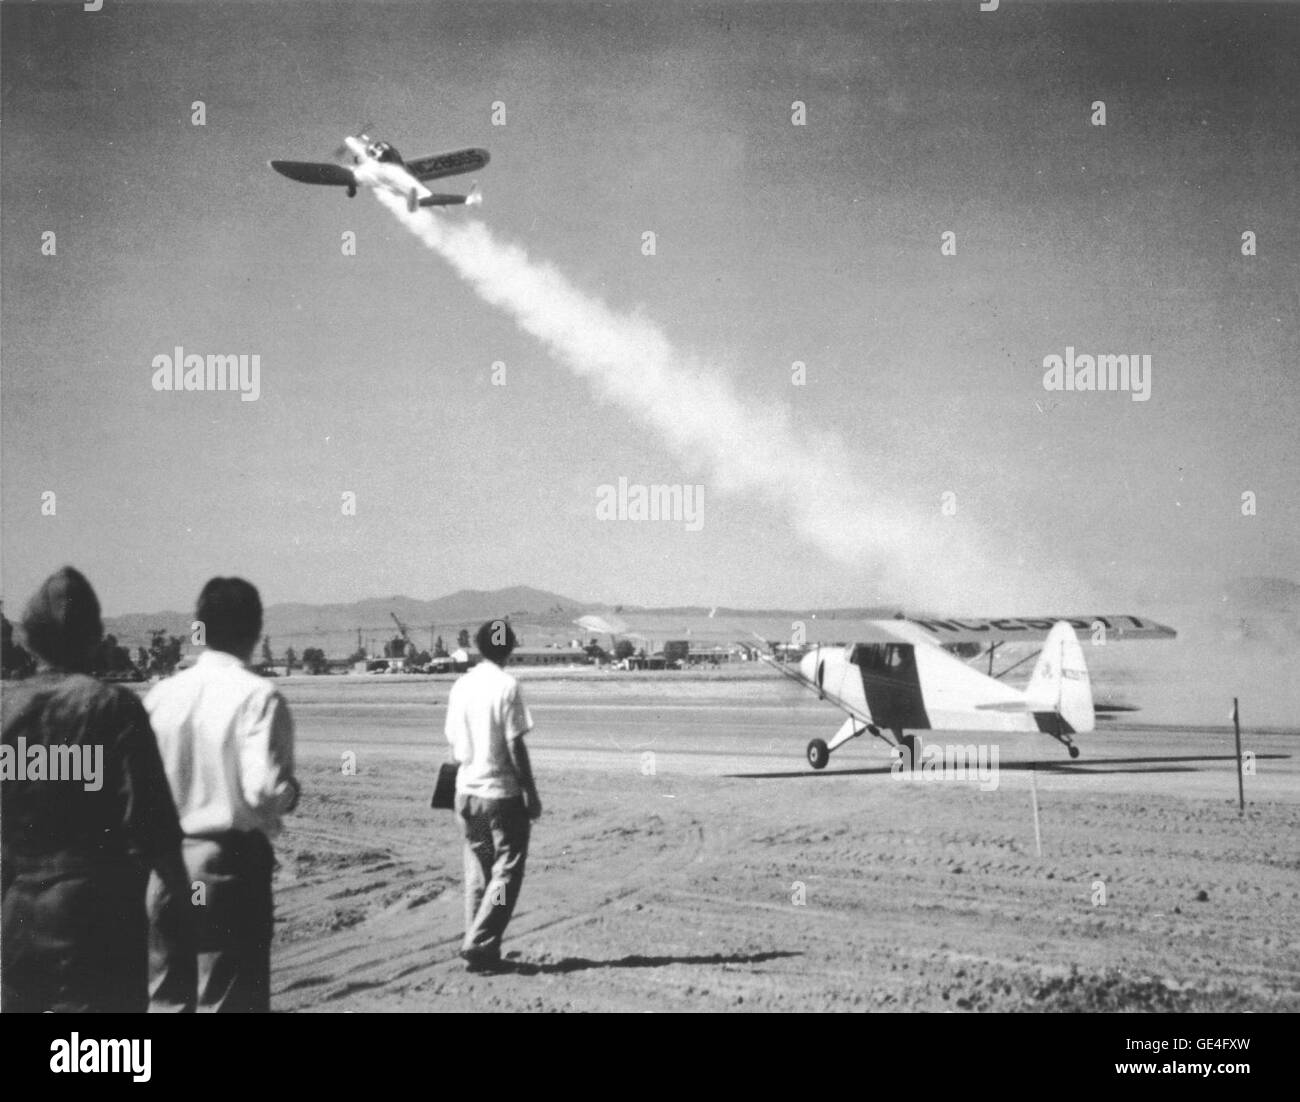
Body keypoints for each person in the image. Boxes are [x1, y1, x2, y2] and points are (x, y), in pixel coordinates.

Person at [2, 566, 194, 1013]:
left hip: (18, 917)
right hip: (97, 919)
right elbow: (155, 830)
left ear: (29, 638)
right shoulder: (114, 708)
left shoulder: (5, 710)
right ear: (93, 637)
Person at [144, 577, 299, 1012]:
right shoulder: (258, 696)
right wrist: (290, 793)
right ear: (254, 629)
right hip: (226, 866)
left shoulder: (161, 696)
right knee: (228, 999)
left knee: (166, 999)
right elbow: (263, 790)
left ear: (201, 628)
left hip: (166, 864)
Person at [444, 619, 542, 971]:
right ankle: (480, 942)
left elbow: (453, 744)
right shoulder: (507, 685)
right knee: (505, 873)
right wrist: (530, 791)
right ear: (510, 648)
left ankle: (482, 948)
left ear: (479, 646)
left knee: (479, 872)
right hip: (501, 795)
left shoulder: (462, 685)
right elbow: (515, 744)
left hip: (467, 793)